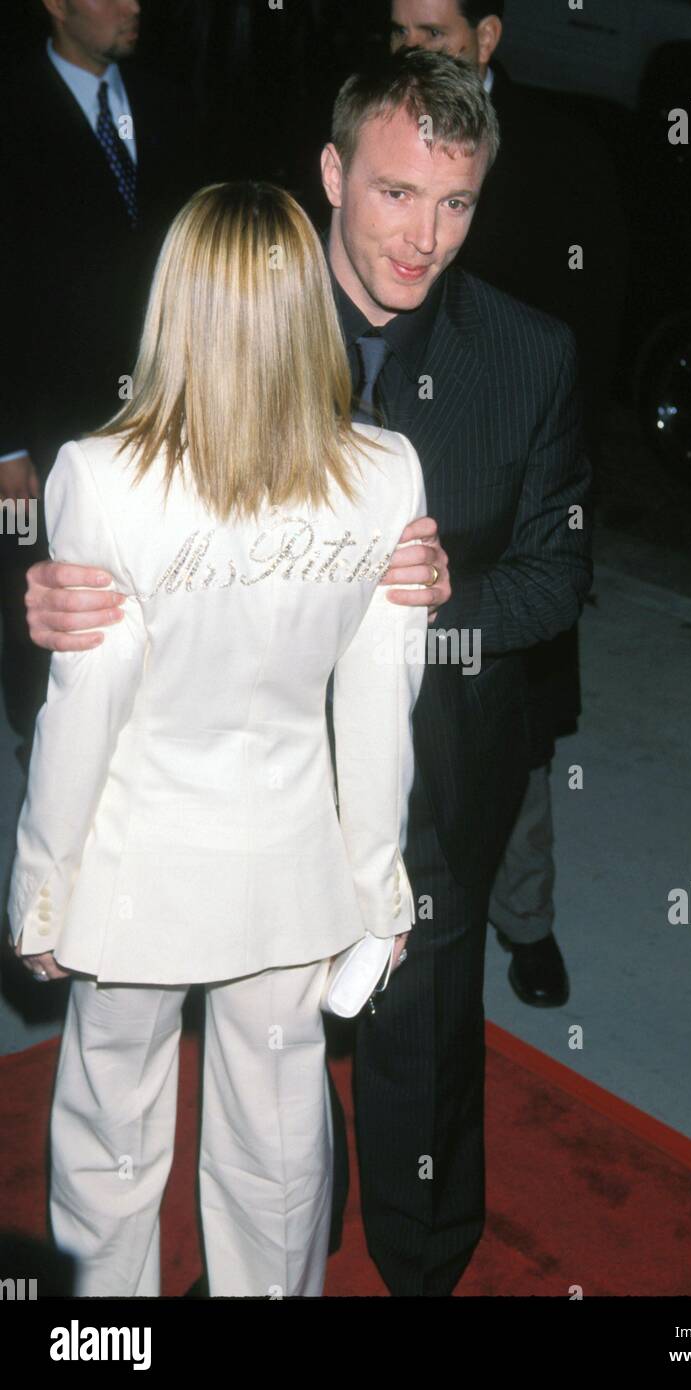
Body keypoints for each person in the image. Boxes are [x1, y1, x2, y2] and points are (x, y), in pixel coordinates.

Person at [23, 49, 592, 1295]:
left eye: (455, 205)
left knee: (388, 1062)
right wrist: (43, 583)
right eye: (396, 194)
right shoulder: (269, 358)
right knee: (275, 1118)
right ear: (332, 177)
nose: (423, 235)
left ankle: (411, 1263)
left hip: (400, 771)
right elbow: (100, 531)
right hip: (263, 811)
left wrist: (447, 598)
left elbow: (557, 578)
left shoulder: (526, 354)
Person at [7, 180, 428, 1296]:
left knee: (109, 1139)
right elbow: (381, 709)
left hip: (134, 875)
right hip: (288, 872)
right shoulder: (385, 473)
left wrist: (41, 885)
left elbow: (80, 710)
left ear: (173, 305)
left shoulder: (96, 476)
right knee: (279, 1146)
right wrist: (378, 888)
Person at [390, 0, 626, 1007]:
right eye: (396, 28)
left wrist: (555, 476)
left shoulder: (560, 152)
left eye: (432, 32)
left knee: (512, 745)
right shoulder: (373, 129)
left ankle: (521, 919)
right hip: (394, 493)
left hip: (510, 497)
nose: (411, 47)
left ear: (486, 40)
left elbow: (596, 314)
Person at [0, 0, 199, 768]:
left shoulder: (164, 102)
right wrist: (6, 441)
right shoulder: (13, 110)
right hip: (44, 424)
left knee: (140, 578)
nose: (135, 6)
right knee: (42, 582)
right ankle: (41, 739)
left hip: (150, 407)